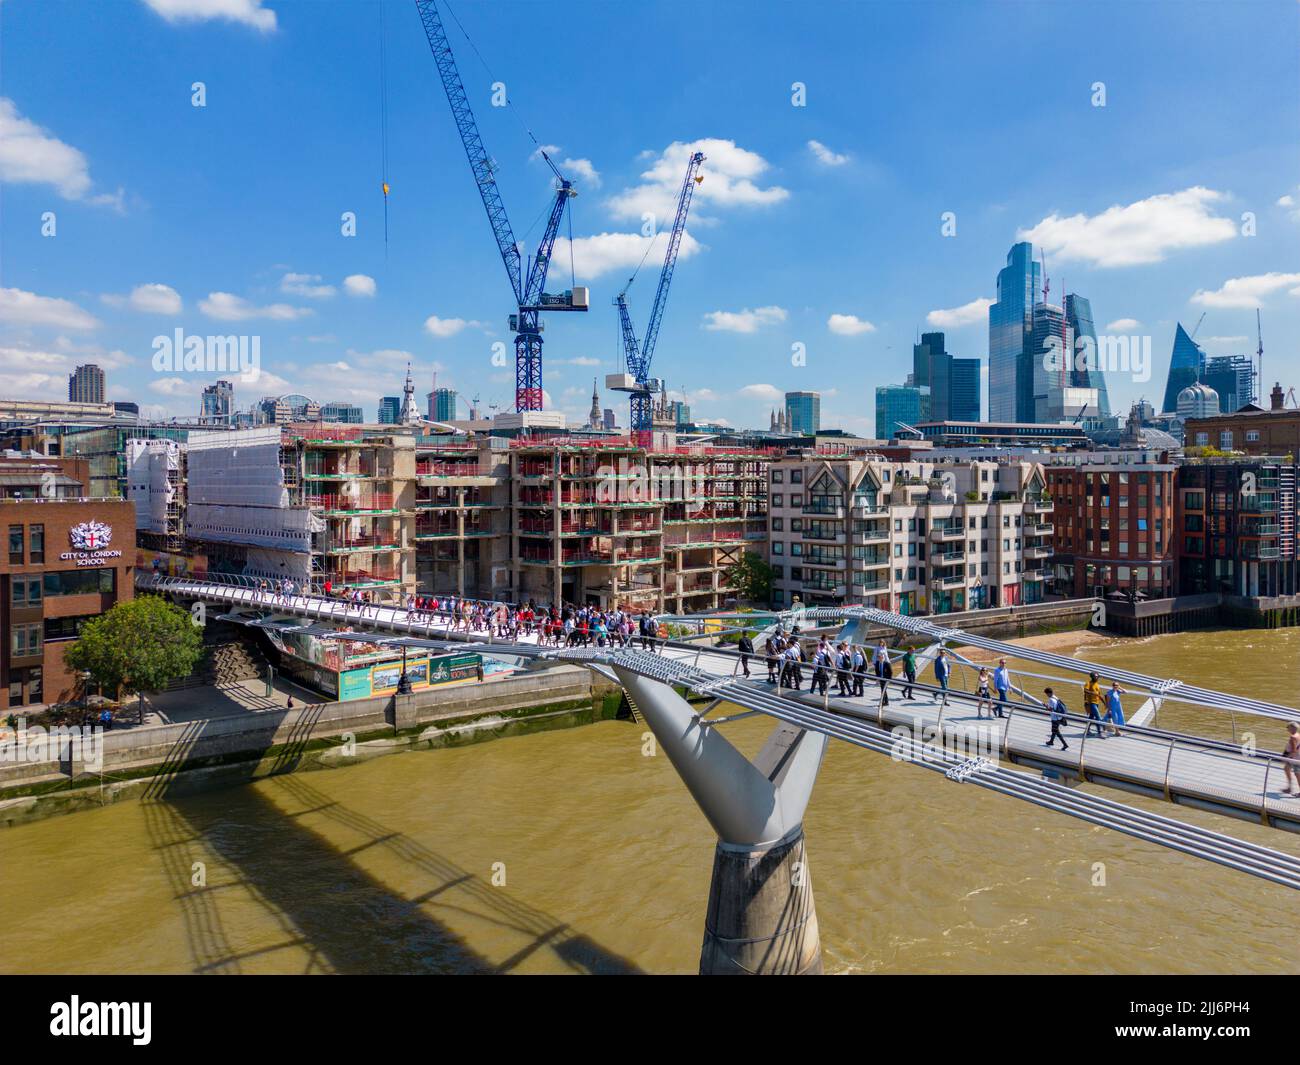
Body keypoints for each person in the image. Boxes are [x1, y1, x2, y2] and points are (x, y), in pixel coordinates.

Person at [1082, 671, 1105, 739]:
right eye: (1095, 676)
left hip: (1096, 703)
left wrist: (1104, 703)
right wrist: (1092, 693)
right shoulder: (1088, 683)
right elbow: (1085, 691)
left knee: (1091, 717)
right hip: (1091, 703)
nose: (1097, 677)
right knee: (1098, 717)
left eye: (1098, 676)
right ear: (1092, 677)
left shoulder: (1097, 684)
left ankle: (1087, 731)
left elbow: (1098, 694)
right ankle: (1099, 733)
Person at [1283, 722, 1300, 796]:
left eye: (1288, 727)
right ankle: (1289, 787)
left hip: (1295, 759)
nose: (1287, 729)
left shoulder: (1293, 737)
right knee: (1286, 768)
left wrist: (1286, 758)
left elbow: (1294, 751)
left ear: (1293, 728)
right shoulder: (1298, 735)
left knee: (1298, 775)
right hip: (1296, 757)